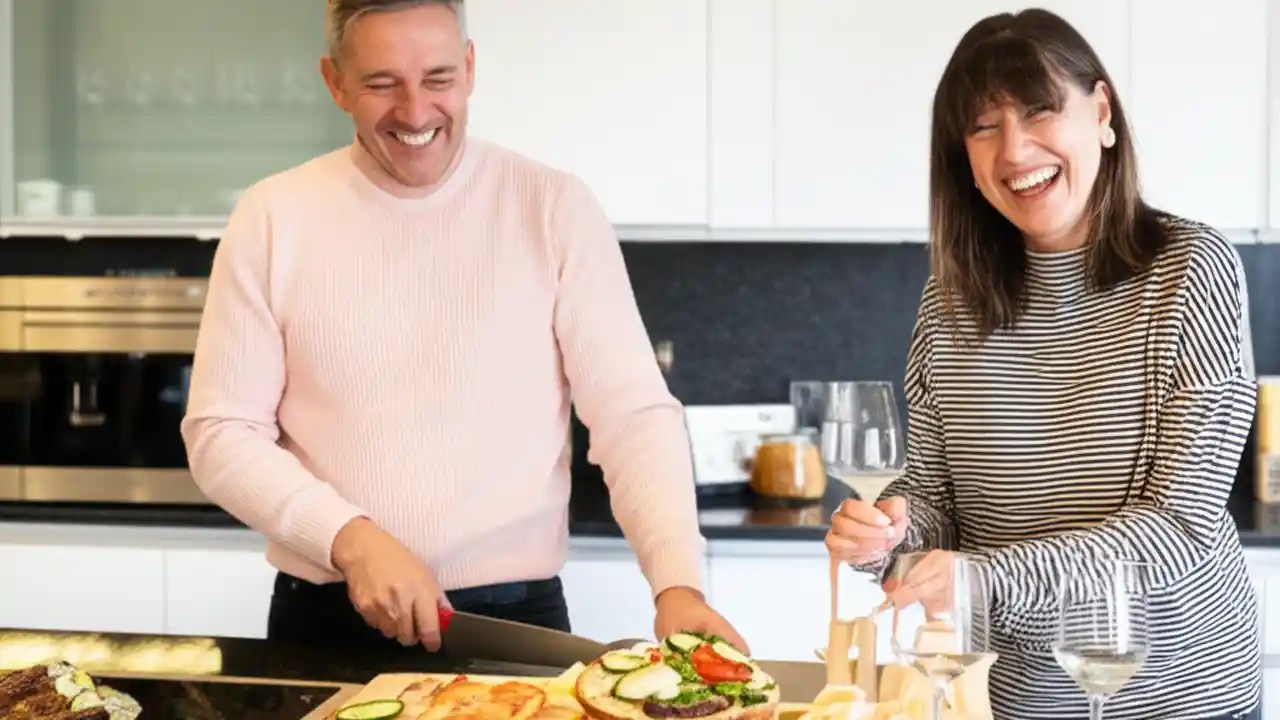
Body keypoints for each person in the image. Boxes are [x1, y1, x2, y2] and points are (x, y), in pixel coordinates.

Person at [181, 0, 747, 656]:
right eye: (382, 83)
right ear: (335, 83)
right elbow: (221, 433)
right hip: (327, 618)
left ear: (471, 69)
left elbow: (632, 416)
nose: (416, 113)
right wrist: (352, 539)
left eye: (438, 79)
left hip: (514, 622)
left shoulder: (551, 206)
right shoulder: (274, 216)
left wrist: (678, 583)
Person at [826, 9, 1260, 720]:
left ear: (1102, 112)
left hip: (1176, 694)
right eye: (983, 126)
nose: (1015, 150)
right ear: (961, 156)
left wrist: (982, 576)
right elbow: (936, 502)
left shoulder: (1191, 269)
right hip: (1010, 697)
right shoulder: (949, 301)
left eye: (1039, 110)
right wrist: (887, 538)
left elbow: (1181, 524)